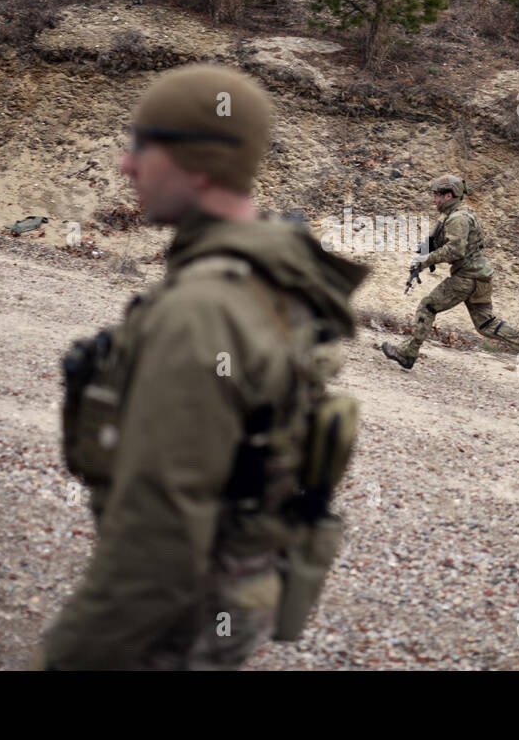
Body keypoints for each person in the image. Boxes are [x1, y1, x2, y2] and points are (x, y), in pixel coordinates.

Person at [39, 64, 367, 669]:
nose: (125, 165)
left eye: (143, 144)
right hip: (230, 602)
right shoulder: (276, 275)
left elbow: (157, 553)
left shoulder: (202, 311)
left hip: (176, 622)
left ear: (197, 162)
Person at [381, 174, 519, 376]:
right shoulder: (463, 213)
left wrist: (426, 260)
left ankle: (407, 353)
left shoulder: (457, 219)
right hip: (480, 276)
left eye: (437, 195)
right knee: (486, 325)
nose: (434, 200)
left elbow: (455, 250)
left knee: (427, 306)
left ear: (448, 195)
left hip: (467, 278)